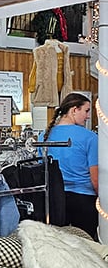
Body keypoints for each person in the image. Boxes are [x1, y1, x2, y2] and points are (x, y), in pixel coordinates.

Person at [43, 93, 98, 238]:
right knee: (87, 243)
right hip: (84, 199)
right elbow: (95, 178)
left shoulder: (44, 136)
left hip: (54, 200)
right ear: (74, 110)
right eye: (86, 111)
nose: (88, 116)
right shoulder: (90, 137)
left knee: (60, 243)